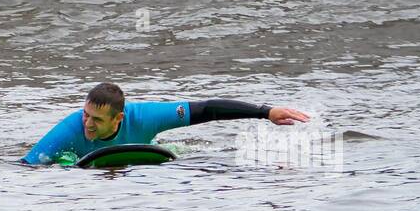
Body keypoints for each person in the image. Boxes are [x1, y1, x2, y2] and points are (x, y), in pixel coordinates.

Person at [23, 81, 310, 165]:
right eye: (85, 114)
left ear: (118, 118)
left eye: (96, 119)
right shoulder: (71, 127)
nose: (87, 123)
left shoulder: (144, 117)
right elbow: (29, 164)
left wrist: (266, 112)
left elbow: (206, 109)